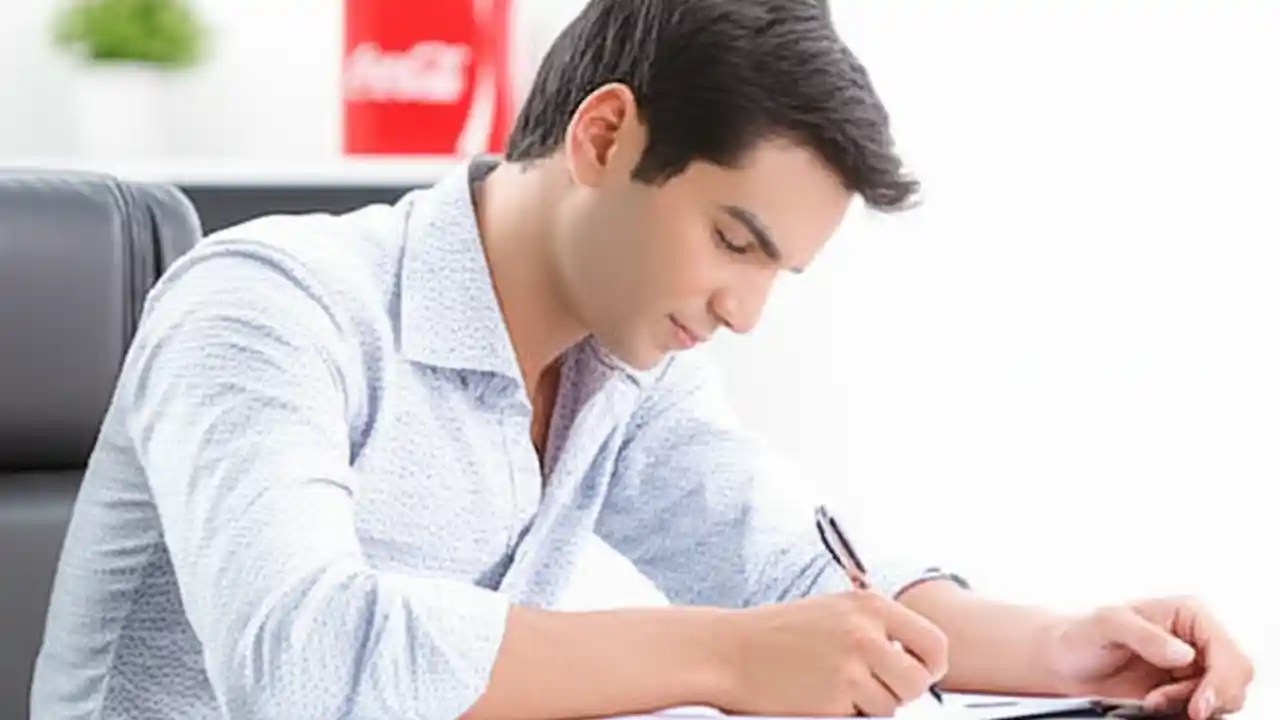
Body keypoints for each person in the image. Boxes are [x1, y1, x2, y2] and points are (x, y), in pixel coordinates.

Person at [32, 0, 1255, 718]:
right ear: (605, 134)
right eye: (735, 241)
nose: (742, 310)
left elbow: (794, 567)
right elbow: (302, 653)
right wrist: (725, 659)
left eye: (778, 273)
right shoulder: (268, 308)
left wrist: (1060, 647)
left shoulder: (624, 372)